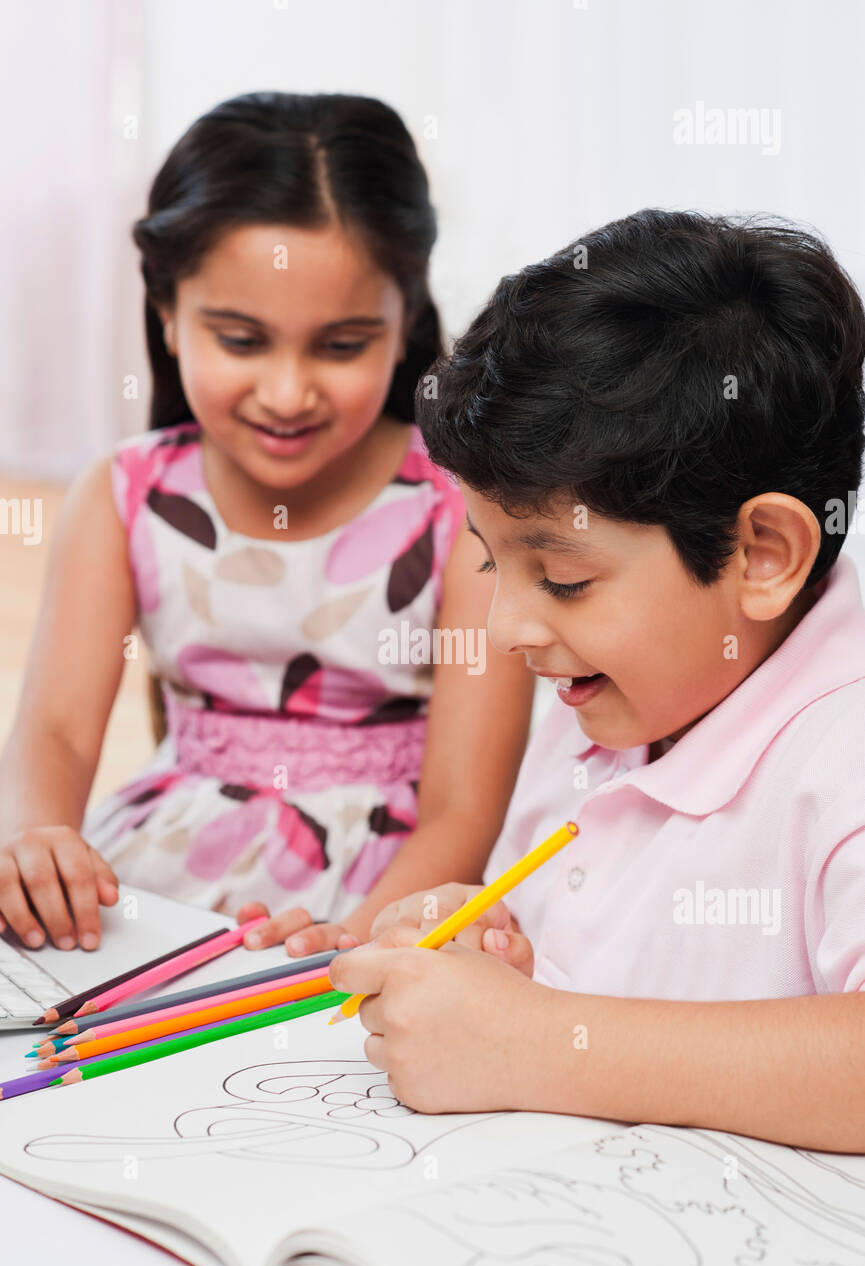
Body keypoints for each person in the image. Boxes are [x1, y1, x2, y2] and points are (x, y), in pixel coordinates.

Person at [331, 209, 865, 1152]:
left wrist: (539, 1044)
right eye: (493, 565)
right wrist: (496, 952)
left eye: (565, 579)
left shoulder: (842, 750)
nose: (507, 630)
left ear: (763, 551)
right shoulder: (609, 698)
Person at [0, 92, 533, 958]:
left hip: (390, 902)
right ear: (168, 315)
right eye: (242, 341)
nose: (287, 394)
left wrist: (353, 953)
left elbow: (464, 810)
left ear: (404, 325)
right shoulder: (124, 493)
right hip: (157, 881)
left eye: (341, 345)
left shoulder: (462, 508)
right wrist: (33, 840)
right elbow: (54, 731)